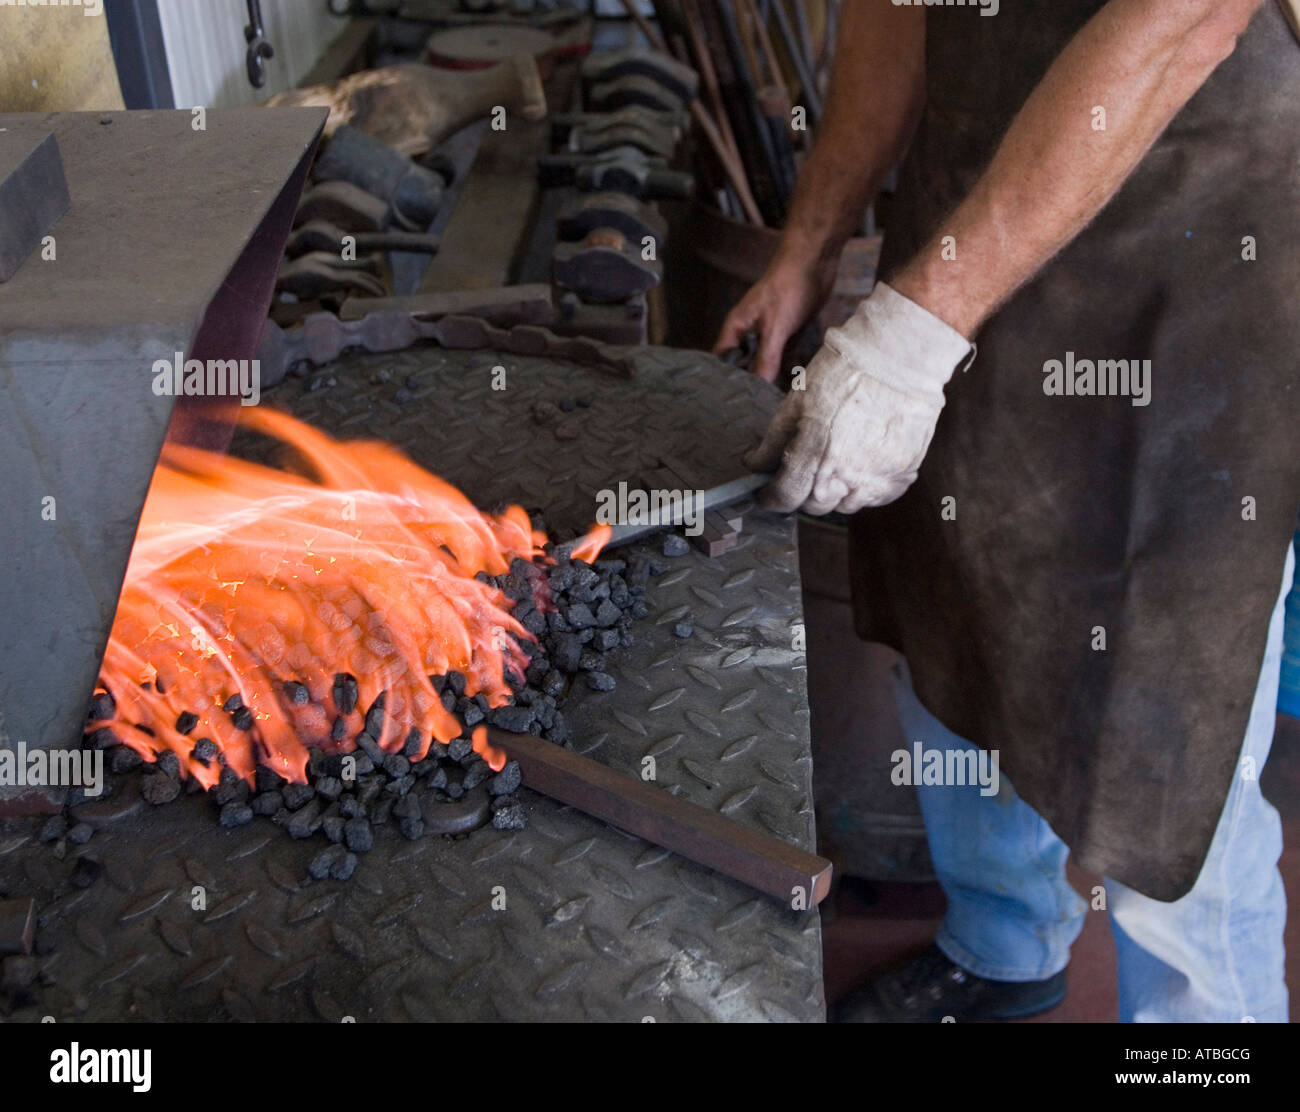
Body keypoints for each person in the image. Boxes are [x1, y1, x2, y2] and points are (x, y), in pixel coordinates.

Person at [716, 0, 1300, 1022]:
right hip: (975, 207)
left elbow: (1182, 19)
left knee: (1166, 728)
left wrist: (914, 328)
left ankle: (1199, 1032)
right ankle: (1001, 942)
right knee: (957, 612)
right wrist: (810, 242)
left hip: (1200, 232)